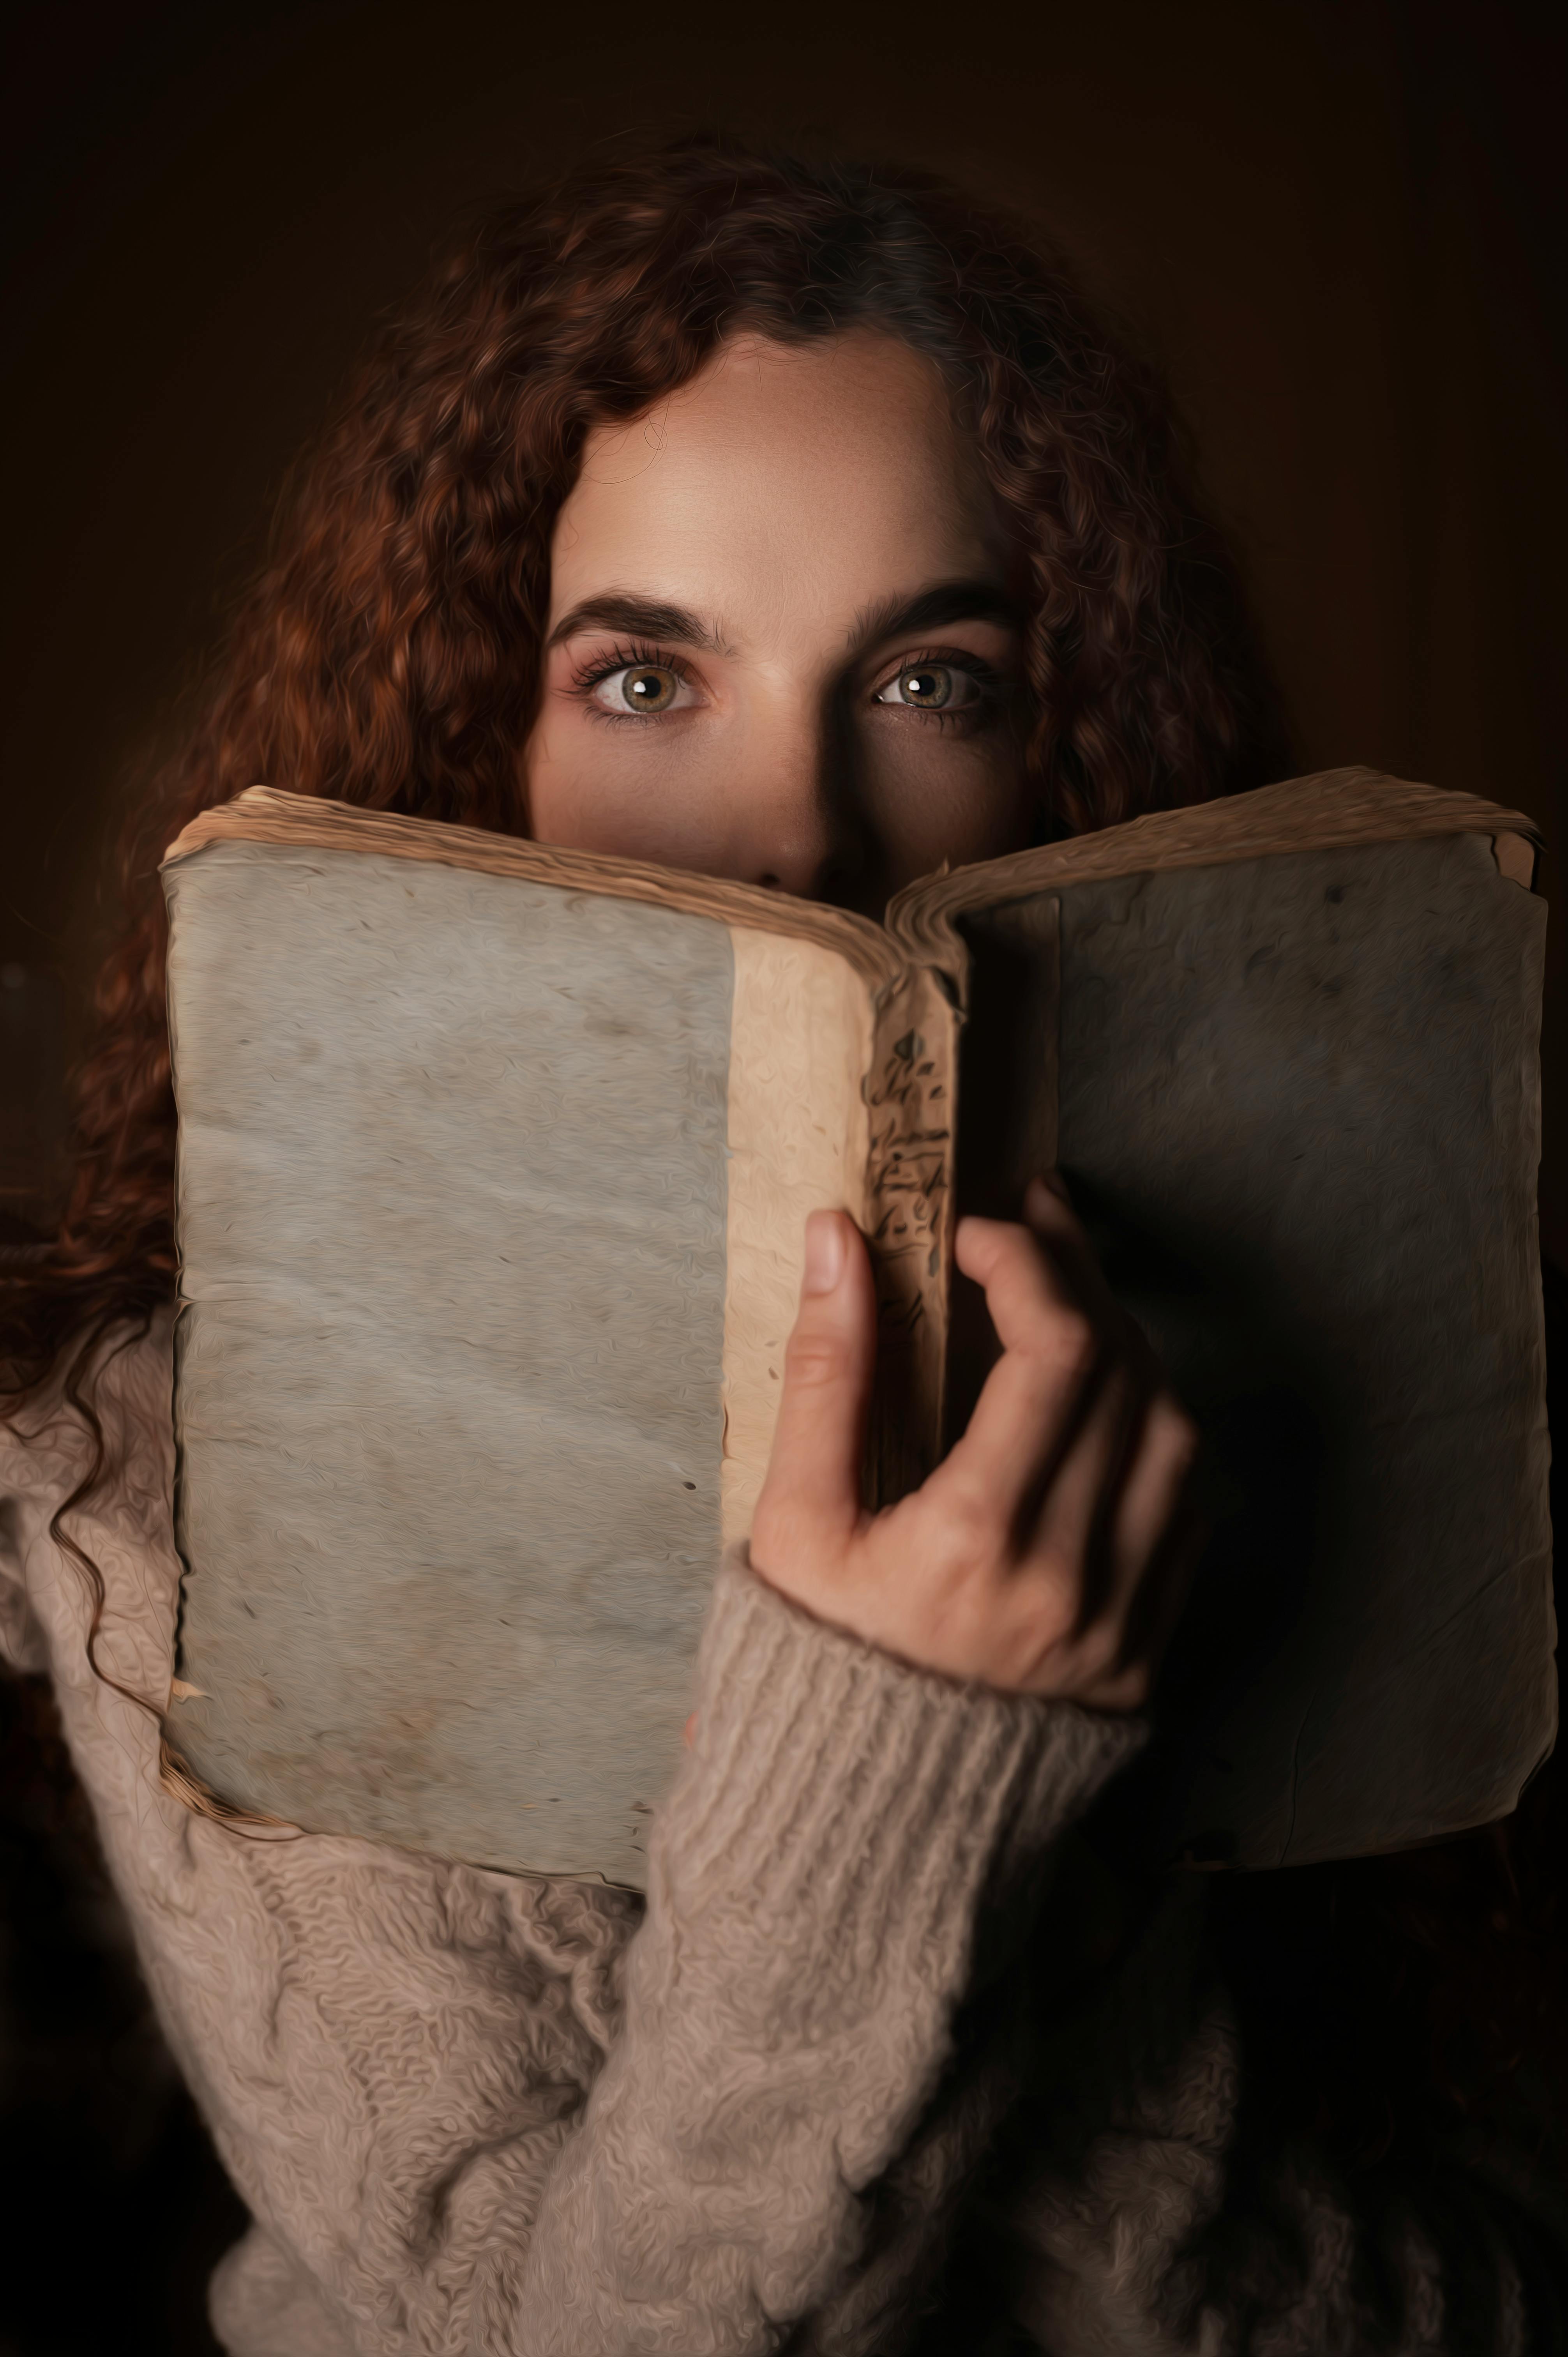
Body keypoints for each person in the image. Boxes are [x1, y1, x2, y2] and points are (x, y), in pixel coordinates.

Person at [1, 136, 1562, 2355]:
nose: (795, 831)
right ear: (475, 729)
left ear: (1069, 750)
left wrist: (1074, 1844)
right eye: (644, 678)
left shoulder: (1367, 1354)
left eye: (931, 683)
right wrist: (923, 1762)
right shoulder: (155, 1484)